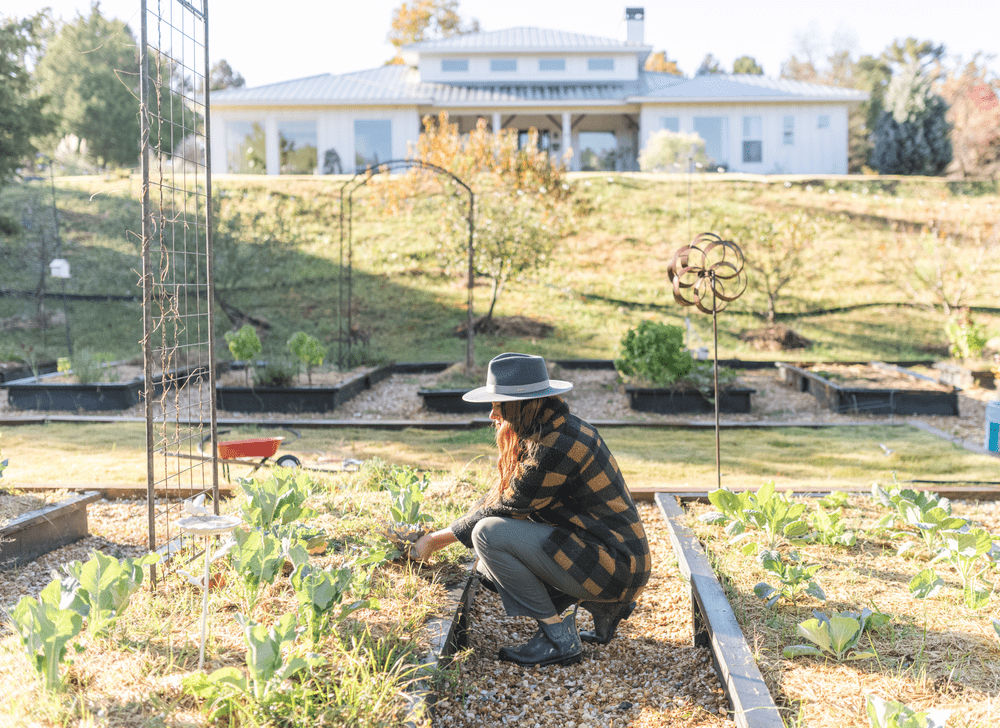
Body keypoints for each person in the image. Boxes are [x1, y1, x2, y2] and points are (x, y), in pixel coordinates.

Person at [412, 352, 651, 667]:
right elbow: (505, 495)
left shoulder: (555, 444)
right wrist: (440, 533)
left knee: (487, 535)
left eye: (498, 405)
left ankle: (558, 638)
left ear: (523, 404)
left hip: (616, 566)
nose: (492, 414)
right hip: (617, 559)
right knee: (487, 568)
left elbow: (507, 507)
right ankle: (604, 606)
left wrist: (433, 541)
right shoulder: (555, 429)